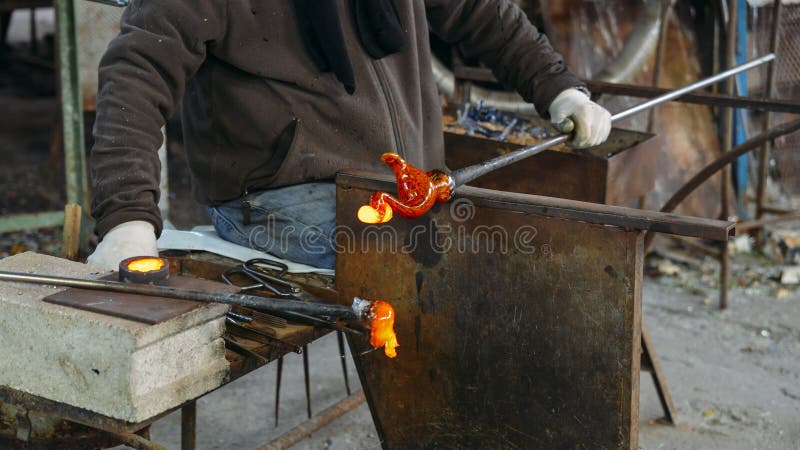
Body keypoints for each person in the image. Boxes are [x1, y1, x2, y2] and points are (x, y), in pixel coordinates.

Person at [86, 0, 612, 271]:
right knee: (449, 269)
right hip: (275, 195)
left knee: (514, 252)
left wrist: (560, 90)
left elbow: (480, 13)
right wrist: (127, 219)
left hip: (402, 182)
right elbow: (136, 74)